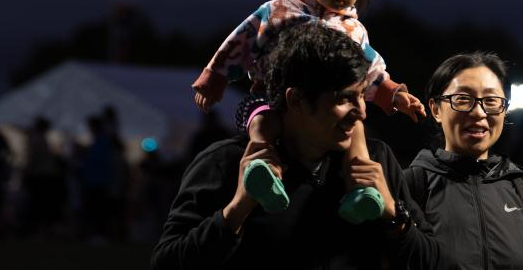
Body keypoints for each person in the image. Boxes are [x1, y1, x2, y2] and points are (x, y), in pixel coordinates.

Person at [192, 0, 425, 223]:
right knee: (263, 123)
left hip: (331, 110)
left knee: (356, 129)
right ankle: (263, 169)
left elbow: (371, 70)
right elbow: (241, 41)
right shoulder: (278, 11)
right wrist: (215, 77)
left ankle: (362, 192)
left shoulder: (353, 29)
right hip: (268, 96)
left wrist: (392, 93)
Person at [153, 23, 444, 270]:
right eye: (344, 99)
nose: (362, 111)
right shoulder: (226, 162)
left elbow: (434, 262)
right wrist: (236, 210)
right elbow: (166, 263)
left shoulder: (376, 160)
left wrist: (394, 214)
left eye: (361, 96)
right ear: (296, 101)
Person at [404, 51, 523, 270]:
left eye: (491, 101)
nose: (479, 112)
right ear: (435, 109)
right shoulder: (410, 186)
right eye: (463, 99)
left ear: (504, 109)